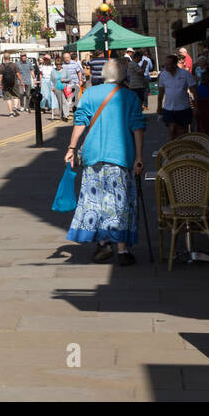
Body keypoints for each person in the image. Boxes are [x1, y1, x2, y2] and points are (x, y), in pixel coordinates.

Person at [64, 57, 146, 266]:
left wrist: (72, 148)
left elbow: (80, 122)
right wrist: (139, 156)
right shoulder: (130, 97)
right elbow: (138, 128)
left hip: (93, 157)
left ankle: (103, 243)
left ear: (103, 76)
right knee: (119, 202)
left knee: (95, 200)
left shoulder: (90, 94)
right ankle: (122, 249)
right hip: (121, 156)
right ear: (123, 76)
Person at [156, 54, 196, 140]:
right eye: (165, 64)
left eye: (168, 64)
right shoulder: (163, 75)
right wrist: (159, 106)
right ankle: (172, 149)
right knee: (172, 129)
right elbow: (161, 92)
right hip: (169, 108)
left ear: (175, 64)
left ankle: (183, 148)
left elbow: (194, 91)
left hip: (183, 107)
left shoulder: (185, 74)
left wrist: (196, 107)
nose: (166, 67)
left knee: (182, 131)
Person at [59, 51, 82, 121]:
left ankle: (75, 114)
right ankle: (66, 115)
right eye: (65, 58)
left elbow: (79, 72)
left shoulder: (75, 63)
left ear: (70, 57)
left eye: (68, 57)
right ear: (63, 58)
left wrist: (80, 80)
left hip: (75, 84)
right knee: (66, 100)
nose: (67, 59)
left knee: (75, 100)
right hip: (66, 85)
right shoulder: (62, 65)